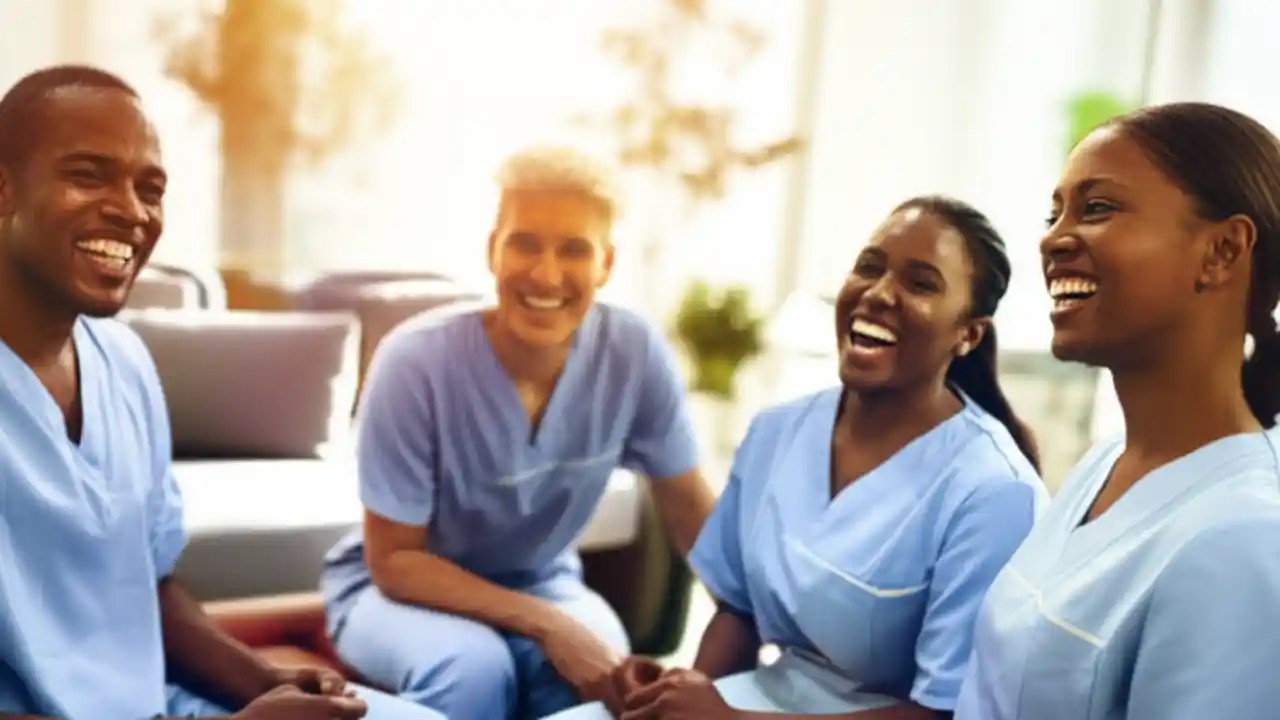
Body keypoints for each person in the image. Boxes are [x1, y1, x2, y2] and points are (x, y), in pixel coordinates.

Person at [0, 65, 443, 720]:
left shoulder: (123, 362)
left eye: (150, 189)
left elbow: (145, 587)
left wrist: (262, 684)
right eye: (88, 174)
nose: (130, 210)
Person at [549, 196, 1049, 720]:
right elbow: (738, 611)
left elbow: (943, 712)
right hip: (762, 696)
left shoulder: (994, 491)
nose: (879, 294)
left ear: (967, 334)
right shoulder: (779, 431)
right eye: (869, 268)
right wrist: (680, 693)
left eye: (920, 284)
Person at [319, 145, 718, 720]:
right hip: (393, 593)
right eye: (525, 242)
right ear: (492, 250)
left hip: (543, 581)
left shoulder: (633, 353)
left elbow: (689, 509)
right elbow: (395, 562)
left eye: (574, 250)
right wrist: (549, 626)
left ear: (606, 263)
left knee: (606, 681)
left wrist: (767, 622)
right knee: (473, 671)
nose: (546, 273)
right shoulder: (413, 361)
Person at [954, 102, 1280, 719]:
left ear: (1222, 251)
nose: (1052, 239)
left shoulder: (1246, 540)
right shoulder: (1103, 468)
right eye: (1055, 215)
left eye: (1097, 208)